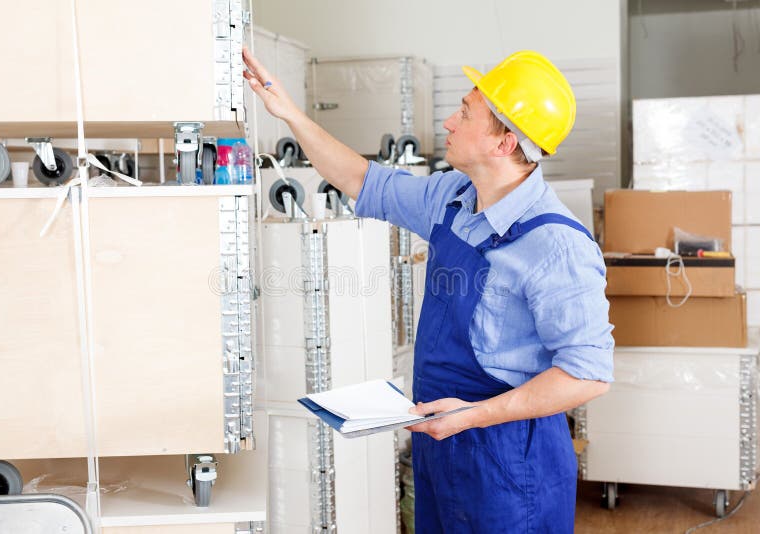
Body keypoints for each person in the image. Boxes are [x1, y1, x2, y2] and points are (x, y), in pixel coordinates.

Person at [244, 47, 614, 533]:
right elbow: (360, 178)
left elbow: (588, 374)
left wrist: (475, 415)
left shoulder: (556, 245)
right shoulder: (453, 198)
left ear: (503, 143)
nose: (449, 121)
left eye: (465, 112)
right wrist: (288, 112)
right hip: (441, 445)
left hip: (509, 467)